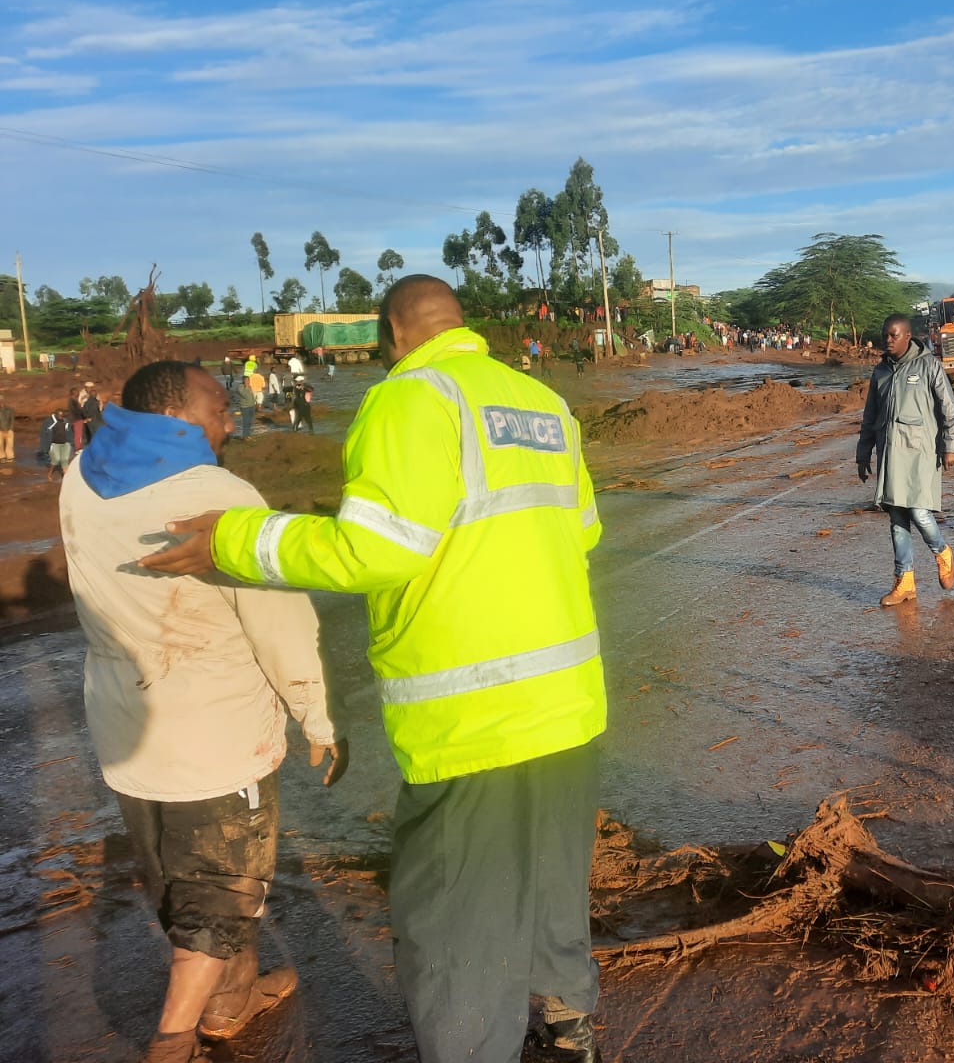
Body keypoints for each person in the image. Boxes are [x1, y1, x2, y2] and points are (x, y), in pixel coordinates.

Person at [142, 275, 608, 1063]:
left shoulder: (409, 397)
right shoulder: (541, 403)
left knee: (451, 917)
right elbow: (583, 531)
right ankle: (567, 1026)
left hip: (473, 720)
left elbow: (374, 550)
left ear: (394, 332)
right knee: (551, 879)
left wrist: (234, 539)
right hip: (568, 705)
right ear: (459, 321)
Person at [58, 361, 346, 1063]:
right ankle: (173, 1036)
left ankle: (230, 1001)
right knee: (223, 891)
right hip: (217, 735)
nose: (230, 421)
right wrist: (315, 715)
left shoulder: (81, 476)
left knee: (169, 875)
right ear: (180, 416)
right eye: (219, 408)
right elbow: (277, 620)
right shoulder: (221, 494)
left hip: (126, 730)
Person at [856, 312, 954, 606]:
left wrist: (950, 447)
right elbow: (870, 417)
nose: (887, 340)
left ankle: (943, 553)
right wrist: (863, 454)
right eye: (885, 335)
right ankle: (905, 582)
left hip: (921, 451)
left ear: (907, 336)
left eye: (893, 335)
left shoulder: (929, 366)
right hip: (890, 453)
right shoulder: (880, 372)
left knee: (919, 512)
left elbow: (948, 409)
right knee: (896, 517)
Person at [47, 407, 73, 480]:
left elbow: (70, 432)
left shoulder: (66, 423)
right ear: (56, 416)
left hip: (65, 444)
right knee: (56, 460)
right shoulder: (52, 424)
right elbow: (47, 434)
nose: (61, 417)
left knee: (65, 460)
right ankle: (49, 474)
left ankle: (66, 477)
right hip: (55, 444)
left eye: (62, 415)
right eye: (59, 415)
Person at [0, 393, 14, 462]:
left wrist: (10, 428)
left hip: (9, 430)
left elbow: (12, 420)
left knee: (10, 444)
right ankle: (1, 457)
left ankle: (10, 457)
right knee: (0, 444)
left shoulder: (9, 410)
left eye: (1, 400)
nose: (1, 401)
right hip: (0, 430)